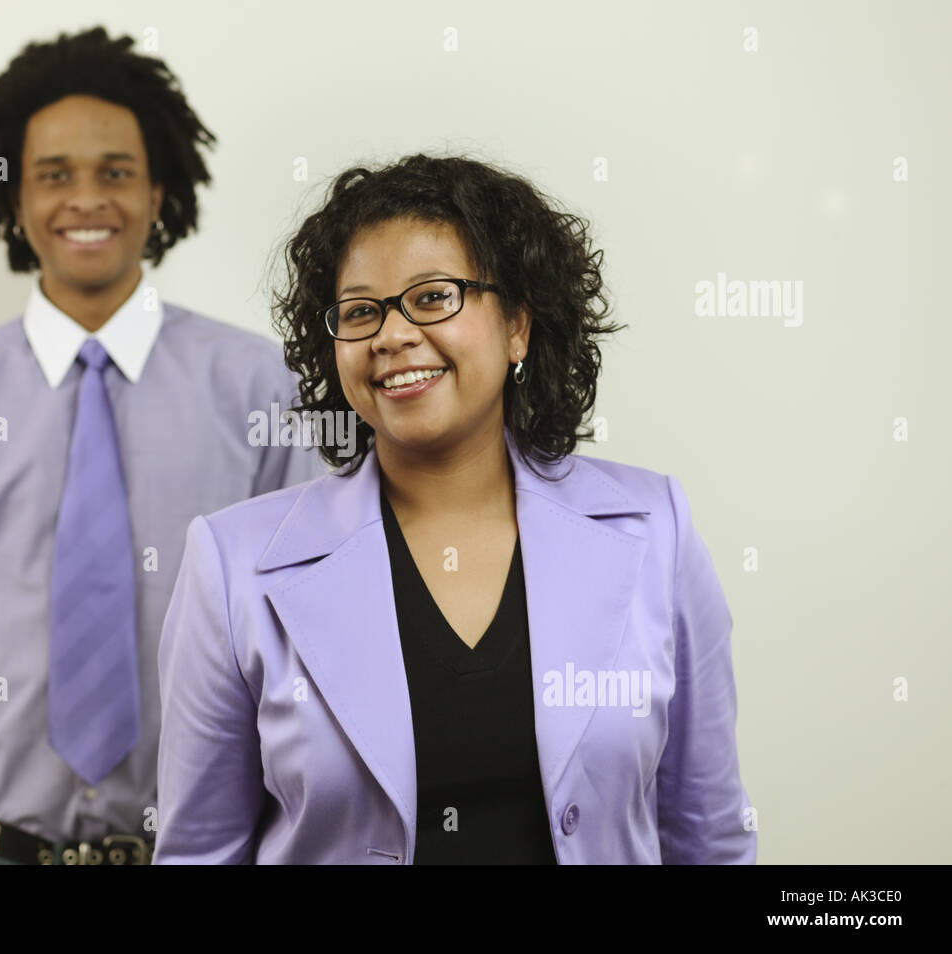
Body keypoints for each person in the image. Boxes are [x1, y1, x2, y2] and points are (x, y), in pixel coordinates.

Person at [154, 153, 756, 864]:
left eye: (433, 297)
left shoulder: (657, 531)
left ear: (518, 327)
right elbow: (198, 854)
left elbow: (708, 838)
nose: (393, 334)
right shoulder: (232, 566)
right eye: (360, 311)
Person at [0, 27, 324, 866]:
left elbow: (299, 625)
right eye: (54, 175)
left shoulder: (262, 387)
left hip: (209, 849)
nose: (86, 199)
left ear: (159, 190)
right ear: (14, 198)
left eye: (115, 172)